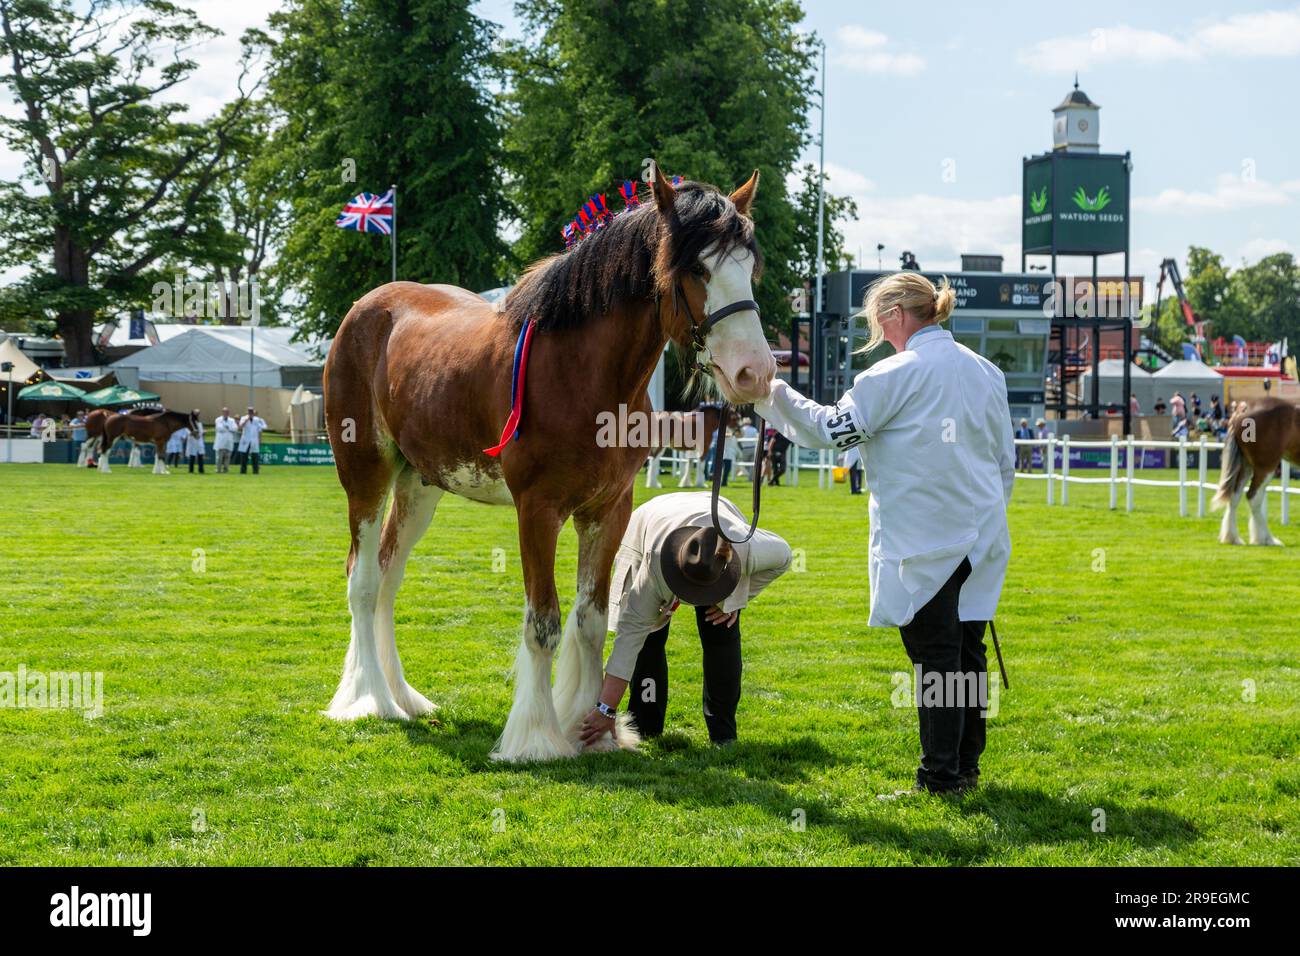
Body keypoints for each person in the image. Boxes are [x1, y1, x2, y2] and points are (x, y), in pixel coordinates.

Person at [752, 272, 1013, 797]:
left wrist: (771, 391)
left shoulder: (894, 374)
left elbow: (831, 430)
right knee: (966, 654)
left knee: (938, 659)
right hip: (981, 535)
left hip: (927, 542)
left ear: (894, 313)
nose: (872, 321)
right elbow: (1005, 460)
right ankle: (964, 766)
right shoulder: (986, 372)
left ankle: (940, 777)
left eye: (875, 311)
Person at [578, 492, 792, 749]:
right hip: (649, 525)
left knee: (722, 629)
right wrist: (606, 710)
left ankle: (724, 734)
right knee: (648, 642)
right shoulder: (652, 572)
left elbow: (785, 557)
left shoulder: (746, 549)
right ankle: (645, 725)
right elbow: (628, 642)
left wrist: (736, 600)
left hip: (718, 518)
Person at [237, 407, 267, 474]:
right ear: (247, 412)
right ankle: (243, 472)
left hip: (254, 440)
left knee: (255, 456)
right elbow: (240, 427)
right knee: (244, 457)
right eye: (249, 411)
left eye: (251, 411)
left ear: (253, 412)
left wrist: (260, 439)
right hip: (245, 440)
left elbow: (264, 427)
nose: (250, 413)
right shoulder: (243, 418)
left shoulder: (257, 419)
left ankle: (255, 471)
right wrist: (246, 420)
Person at [213, 407, 239, 473]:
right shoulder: (218, 419)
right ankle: (218, 469)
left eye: (227, 412)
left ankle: (226, 469)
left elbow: (235, 429)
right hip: (220, 441)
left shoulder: (232, 420)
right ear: (222, 412)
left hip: (229, 441)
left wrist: (228, 428)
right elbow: (219, 428)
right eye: (225, 412)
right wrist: (229, 428)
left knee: (227, 457)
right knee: (219, 457)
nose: (226, 413)